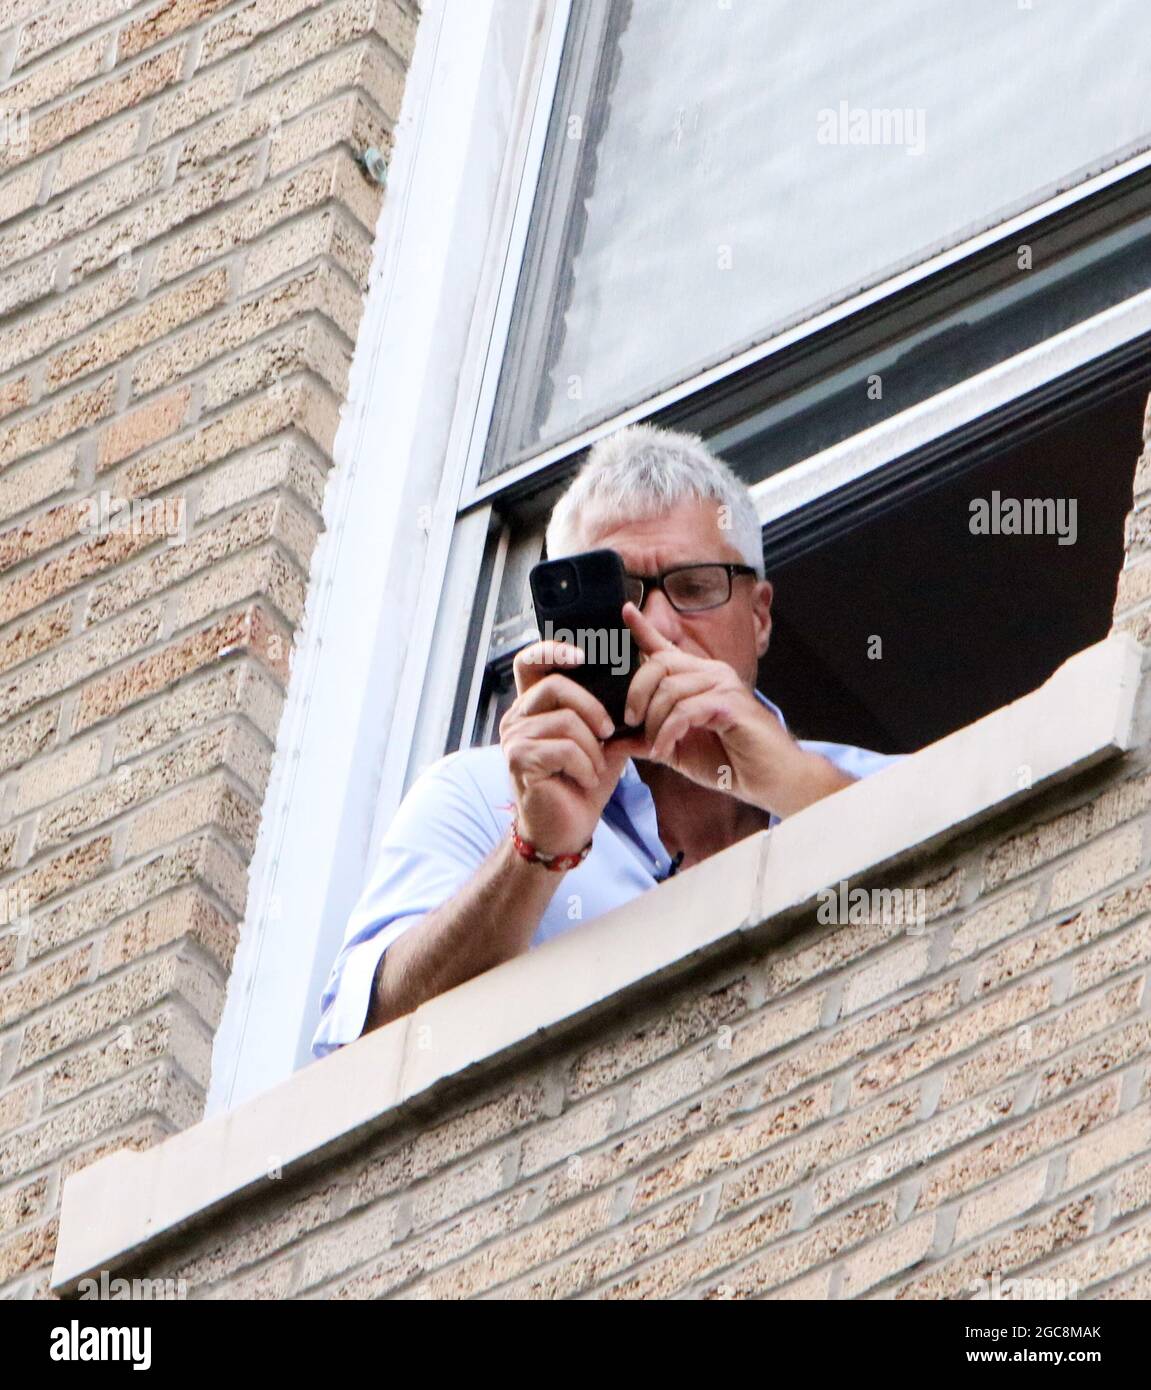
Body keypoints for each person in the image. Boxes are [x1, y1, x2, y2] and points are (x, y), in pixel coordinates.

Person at [311, 424, 904, 1059]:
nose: (656, 628)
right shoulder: (481, 799)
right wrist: (534, 851)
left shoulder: (869, 786)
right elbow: (362, 1054)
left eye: (696, 587)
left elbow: (986, 903)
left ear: (759, 617)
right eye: (617, 600)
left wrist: (791, 782)